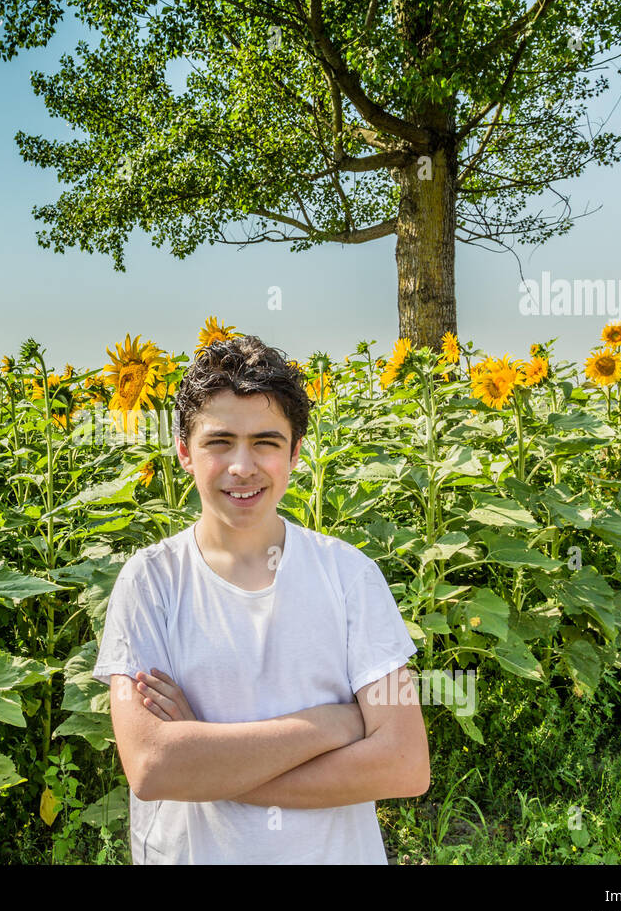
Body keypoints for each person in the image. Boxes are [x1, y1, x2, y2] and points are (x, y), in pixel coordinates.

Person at [92, 334, 430, 863]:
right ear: (184, 450)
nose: (243, 466)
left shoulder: (349, 576)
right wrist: (330, 724)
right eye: (219, 441)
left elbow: (405, 763)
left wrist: (206, 759)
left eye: (266, 443)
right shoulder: (150, 583)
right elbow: (154, 767)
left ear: (295, 453)